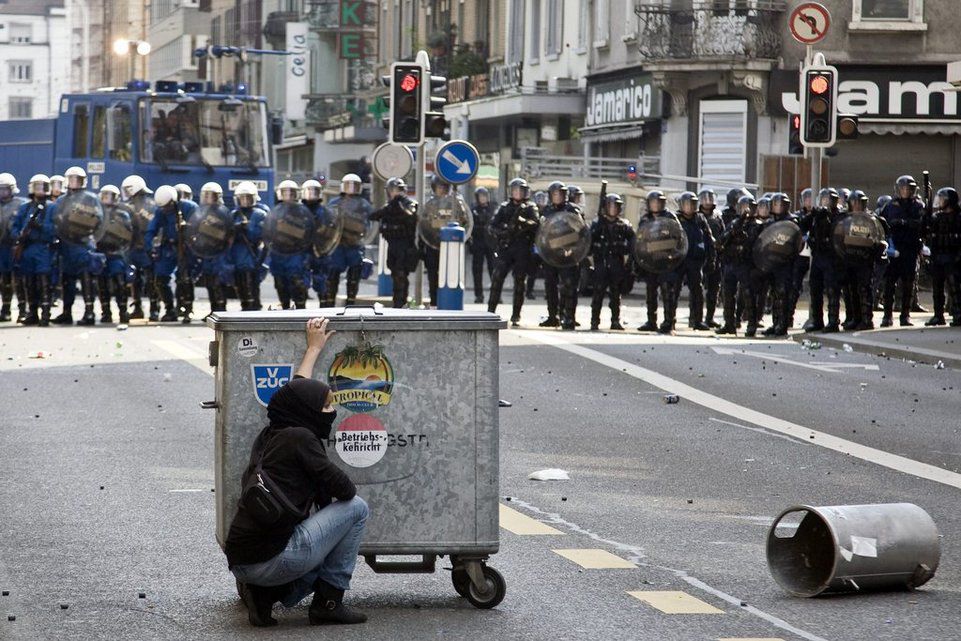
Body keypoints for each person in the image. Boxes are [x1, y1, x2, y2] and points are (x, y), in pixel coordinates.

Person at [226, 318, 369, 628]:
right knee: (356, 509)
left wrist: (313, 348)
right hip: (272, 560)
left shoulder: (275, 430)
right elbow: (346, 491)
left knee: (319, 534)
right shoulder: (302, 439)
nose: (332, 412)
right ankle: (329, 602)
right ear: (308, 412)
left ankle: (264, 596)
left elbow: (297, 391)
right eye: (326, 407)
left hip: (242, 560)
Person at [52, 167, 103, 326]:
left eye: (78, 180)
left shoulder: (91, 198)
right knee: (67, 279)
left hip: (82, 243)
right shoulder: (61, 200)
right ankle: (66, 312)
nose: (74, 183)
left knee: (86, 277)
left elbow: (99, 219)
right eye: (72, 179)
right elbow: (55, 219)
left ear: (83, 181)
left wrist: (88, 233)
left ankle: (89, 312)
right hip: (66, 244)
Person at [487, 178, 540, 327]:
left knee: (520, 282)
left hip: (522, 248)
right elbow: (492, 226)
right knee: (497, 277)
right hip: (506, 248)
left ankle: (516, 315)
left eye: (520, 191)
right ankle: (490, 311)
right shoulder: (504, 207)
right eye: (515, 190)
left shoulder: (530, 208)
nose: (517, 193)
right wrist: (503, 232)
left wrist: (523, 221)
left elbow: (536, 224)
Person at [144, 185, 196, 323]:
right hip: (168, 248)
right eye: (163, 207)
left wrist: (187, 229)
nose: (165, 209)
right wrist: (149, 246)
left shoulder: (189, 208)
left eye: (167, 206)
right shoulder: (160, 212)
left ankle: (188, 309)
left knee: (185, 278)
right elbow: (151, 230)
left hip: (186, 248)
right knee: (160, 279)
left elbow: (199, 225)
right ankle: (170, 310)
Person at [418, 175, 472, 307]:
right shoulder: (430, 205)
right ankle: (434, 302)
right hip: (433, 245)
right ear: (434, 188)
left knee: (451, 275)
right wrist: (422, 246)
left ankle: (448, 302)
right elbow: (424, 225)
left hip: (451, 247)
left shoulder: (456, 203)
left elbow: (464, 221)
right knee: (433, 276)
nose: (442, 190)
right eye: (439, 187)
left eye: (445, 187)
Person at [10, 175, 56, 326]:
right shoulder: (25, 207)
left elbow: (55, 229)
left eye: (43, 187)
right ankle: (32, 312)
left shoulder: (52, 207)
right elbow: (15, 226)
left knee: (44, 280)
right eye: (37, 187)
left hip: (43, 247)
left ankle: (45, 313)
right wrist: (19, 235)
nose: (40, 190)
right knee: (28, 281)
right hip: (27, 247)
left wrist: (41, 227)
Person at [880, 175, 924, 327]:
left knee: (908, 284)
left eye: (908, 189)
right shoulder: (890, 205)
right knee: (889, 284)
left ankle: (905, 316)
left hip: (910, 249)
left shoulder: (918, 205)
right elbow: (882, 223)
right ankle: (887, 316)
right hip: (894, 248)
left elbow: (922, 224)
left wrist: (904, 222)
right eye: (903, 188)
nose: (905, 191)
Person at [716, 194, 763, 336]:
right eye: (743, 207)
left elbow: (754, 243)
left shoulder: (757, 225)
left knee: (748, 294)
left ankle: (751, 324)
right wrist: (732, 232)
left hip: (746, 264)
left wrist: (742, 235)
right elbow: (721, 241)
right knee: (727, 294)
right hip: (731, 262)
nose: (746, 210)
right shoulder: (734, 223)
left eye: (749, 208)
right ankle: (729, 324)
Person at [636, 190, 683, 334]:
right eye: (653, 202)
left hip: (666, 260)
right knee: (650, 292)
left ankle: (669, 321)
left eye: (658, 202)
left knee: (667, 292)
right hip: (651, 261)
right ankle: (651, 321)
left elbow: (679, 236)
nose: (656, 205)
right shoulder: (645, 219)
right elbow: (639, 239)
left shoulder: (670, 217)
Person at [538, 181, 583, 330]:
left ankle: (569, 317)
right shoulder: (546, 211)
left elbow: (580, 231)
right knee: (550, 286)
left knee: (569, 286)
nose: (557, 197)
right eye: (555, 194)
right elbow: (541, 231)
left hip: (568, 253)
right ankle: (553, 316)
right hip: (551, 254)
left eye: (560, 194)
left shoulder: (572, 210)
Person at [369, 177, 418, 308]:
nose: (395, 193)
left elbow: (411, 214)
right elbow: (373, 216)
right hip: (392, 245)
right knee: (394, 274)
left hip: (405, 246)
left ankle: (401, 303)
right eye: (392, 190)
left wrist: (399, 203)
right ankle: (397, 303)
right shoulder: (389, 207)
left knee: (401, 275)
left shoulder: (408, 204)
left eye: (398, 190)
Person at [800, 188, 844, 333]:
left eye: (828, 199)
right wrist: (813, 215)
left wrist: (828, 216)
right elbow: (802, 225)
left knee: (832, 289)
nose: (825, 202)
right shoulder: (816, 215)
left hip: (832, 257)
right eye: (823, 199)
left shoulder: (839, 215)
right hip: (818, 255)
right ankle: (817, 320)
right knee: (815, 288)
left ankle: (833, 321)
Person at [589, 193, 635, 331]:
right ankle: (594, 320)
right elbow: (589, 241)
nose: (613, 209)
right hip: (601, 262)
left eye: (616, 206)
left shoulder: (624, 224)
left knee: (615, 294)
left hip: (616, 262)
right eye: (610, 206)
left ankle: (615, 320)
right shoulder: (597, 223)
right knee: (598, 293)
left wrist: (630, 259)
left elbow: (633, 242)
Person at [326, 174, 373, 306]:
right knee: (332, 274)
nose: (351, 189)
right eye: (348, 185)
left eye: (354, 186)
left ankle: (351, 302)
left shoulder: (364, 205)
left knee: (354, 275)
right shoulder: (335, 203)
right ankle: (330, 302)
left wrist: (363, 236)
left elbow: (369, 224)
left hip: (355, 244)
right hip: (338, 245)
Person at [268, 181, 313, 310]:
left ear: (296, 194)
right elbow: (269, 231)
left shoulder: (302, 212)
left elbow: (309, 232)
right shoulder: (276, 212)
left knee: (298, 284)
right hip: (279, 254)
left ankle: (300, 311)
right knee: (281, 284)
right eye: (285, 193)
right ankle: (285, 310)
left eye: (291, 193)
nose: (288, 196)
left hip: (296, 253)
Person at [674, 191, 715, 331]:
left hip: (695, 260)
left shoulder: (700, 219)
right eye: (686, 204)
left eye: (692, 204)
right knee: (673, 290)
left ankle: (697, 320)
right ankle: (669, 319)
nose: (689, 207)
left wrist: (711, 258)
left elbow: (709, 239)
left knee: (697, 291)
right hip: (679, 260)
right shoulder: (676, 219)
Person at [762, 193, 799, 337]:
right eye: (776, 204)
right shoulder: (770, 222)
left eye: (781, 205)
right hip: (773, 263)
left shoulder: (792, 221)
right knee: (775, 295)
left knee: (784, 294)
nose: (778, 207)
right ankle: (775, 323)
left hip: (786, 263)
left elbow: (797, 243)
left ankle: (783, 325)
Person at [923, 187, 961, 326]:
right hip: (938, 256)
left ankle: (958, 314)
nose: (940, 202)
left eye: (943, 199)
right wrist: (926, 215)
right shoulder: (936, 217)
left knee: (954, 287)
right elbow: (925, 231)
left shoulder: (958, 218)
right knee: (937, 288)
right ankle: (938, 315)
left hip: (952, 257)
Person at [122, 175, 157, 321]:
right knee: (148, 279)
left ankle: (139, 308)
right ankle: (153, 309)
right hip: (143, 247)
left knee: (137, 279)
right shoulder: (153, 204)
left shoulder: (131, 206)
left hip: (136, 247)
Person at [95, 185, 132, 324]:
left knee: (120, 283)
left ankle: (123, 310)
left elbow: (128, 234)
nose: (107, 199)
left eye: (110, 196)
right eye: (105, 196)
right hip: (100, 252)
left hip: (116, 252)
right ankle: (106, 312)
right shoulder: (97, 214)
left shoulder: (122, 215)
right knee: (101, 283)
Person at [195, 182, 232, 314]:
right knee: (209, 281)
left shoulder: (223, 212)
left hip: (219, 252)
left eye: (212, 196)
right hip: (207, 252)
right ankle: (213, 309)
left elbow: (228, 232)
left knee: (218, 281)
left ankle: (221, 310)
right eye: (206, 196)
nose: (208, 199)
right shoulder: (201, 212)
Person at [229, 182, 267, 311]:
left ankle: (254, 306)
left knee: (251, 283)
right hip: (236, 254)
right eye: (242, 198)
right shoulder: (234, 215)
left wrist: (248, 230)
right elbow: (226, 233)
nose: (245, 201)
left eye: (248, 198)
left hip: (252, 253)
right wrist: (235, 229)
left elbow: (263, 235)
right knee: (239, 283)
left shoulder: (260, 214)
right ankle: (244, 305)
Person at [301, 179, 333, 307]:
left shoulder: (325, 211)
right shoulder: (298, 210)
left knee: (322, 280)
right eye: (309, 192)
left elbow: (332, 229)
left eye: (315, 192)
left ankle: (323, 308)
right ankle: (300, 307)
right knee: (301, 281)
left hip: (320, 249)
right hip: (303, 249)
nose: (312, 195)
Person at [0, 172, 26, 322]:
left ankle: (23, 310)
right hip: (1, 247)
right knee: (4, 279)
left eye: (5, 189)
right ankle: (5, 309)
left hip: (16, 247)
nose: (3, 192)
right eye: (0, 189)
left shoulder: (21, 204)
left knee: (19, 279)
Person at [699, 189, 724, 328]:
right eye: (704, 198)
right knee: (697, 289)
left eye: (710, 198)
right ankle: (695, 317)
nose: (707, 201)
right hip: (700, 256)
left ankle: (710, 317)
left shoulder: (717, 216)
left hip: (715, 256)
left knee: (714, 289)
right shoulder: (696, 216)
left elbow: (723, 233)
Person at [469, 187, 495, 304]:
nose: (483, 198)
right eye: (481, 196)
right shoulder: (473, 210)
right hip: (478, 242)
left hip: (490, 243)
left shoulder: (493, 209)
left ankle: (495, 294)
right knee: (477, 270)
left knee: (493, 269)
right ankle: (478, 295)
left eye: (485, 196)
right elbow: (469, 226)